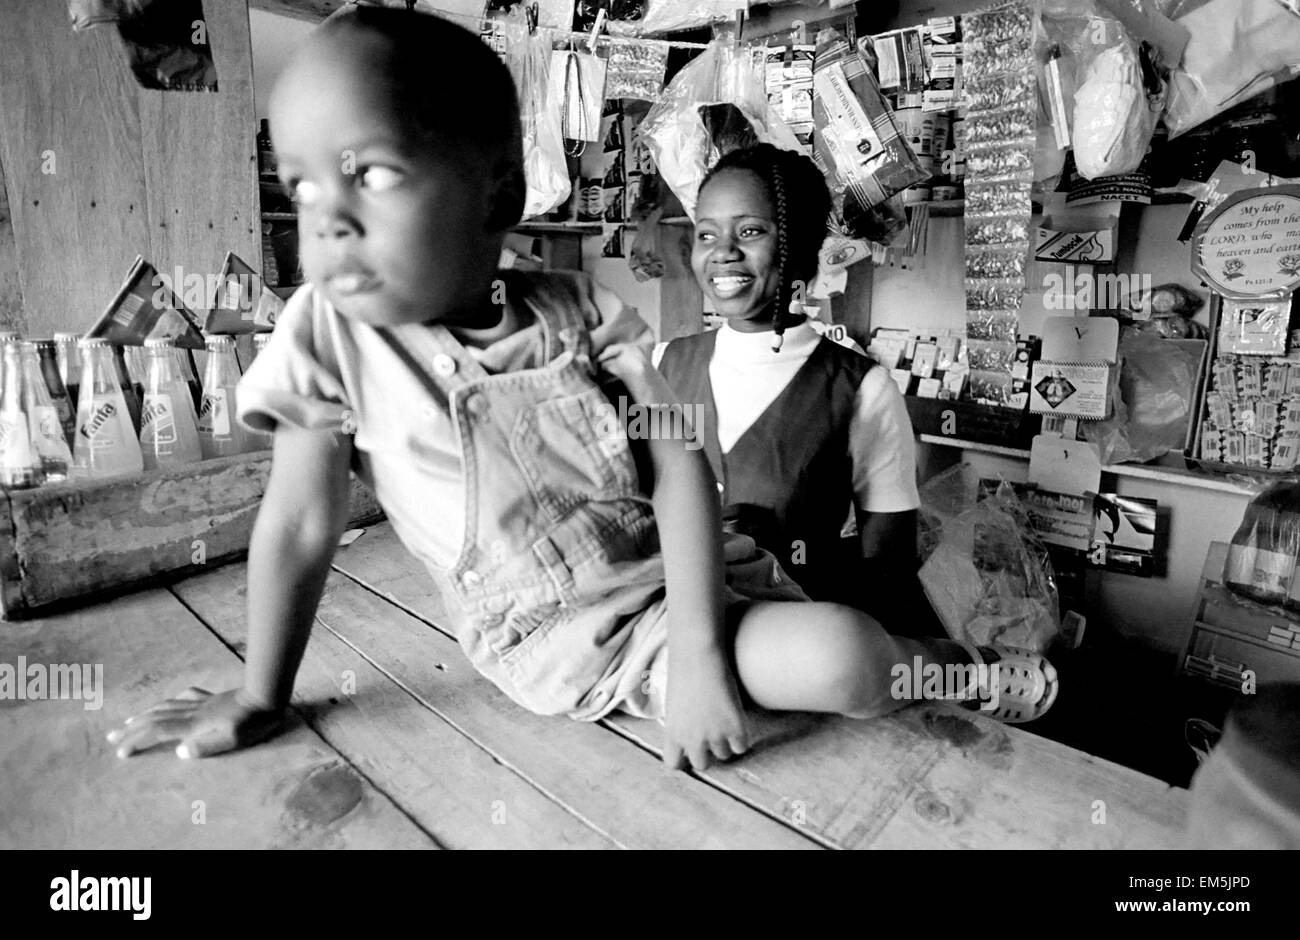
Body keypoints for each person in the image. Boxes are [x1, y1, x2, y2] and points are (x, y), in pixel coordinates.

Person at [105, 8, 1057, 773]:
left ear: (496, 194)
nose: (329, 221)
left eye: (371, 175)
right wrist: (262, 693)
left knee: (860, 658)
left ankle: (958, 676)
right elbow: (301, 525)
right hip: (571, 637)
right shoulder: (324, 337)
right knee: (842, 656)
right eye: (301, 185)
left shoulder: (584, 315)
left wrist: (700, 656)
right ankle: (929, 671)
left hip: (684, 571)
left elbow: (683, 466)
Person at [655, 144, 933, 632]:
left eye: (750, 231)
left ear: (799, 243)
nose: (723, 252)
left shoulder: (861, 390)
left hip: (793, 649)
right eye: (706, 233)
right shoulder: (663, 365)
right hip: (666, 642)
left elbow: (885, 573)